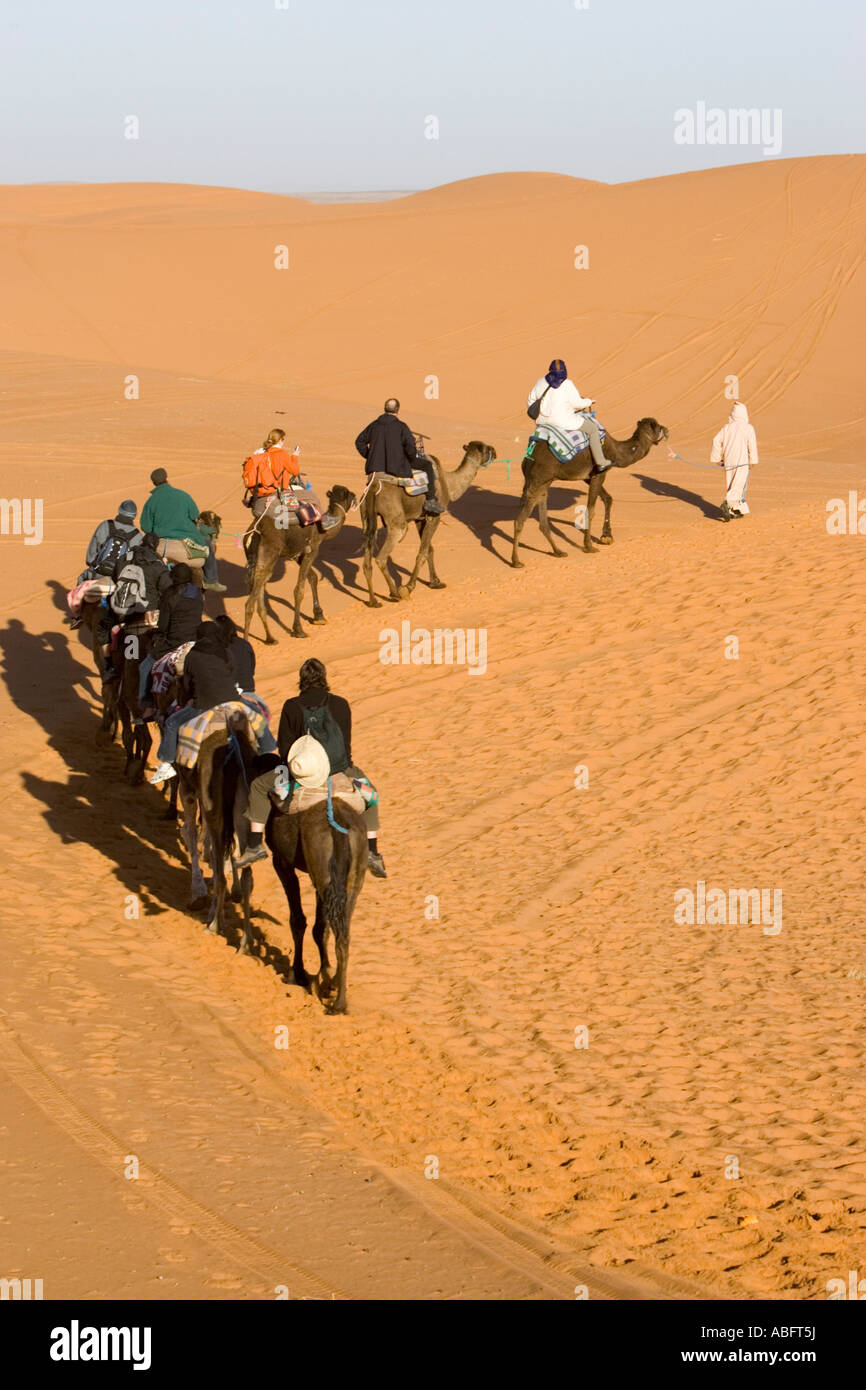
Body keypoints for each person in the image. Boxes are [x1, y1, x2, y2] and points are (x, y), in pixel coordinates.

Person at [234, 657, 386, 878]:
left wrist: (292, 767)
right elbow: (346, 745)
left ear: (301, 681)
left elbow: (285, 749)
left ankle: (255, 845)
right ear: (324, 678)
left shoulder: (291, 706)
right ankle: (372, 852)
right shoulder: (341, 704)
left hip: (300, 772)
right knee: (372, 795)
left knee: (258, 786)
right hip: (340, 769)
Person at [149, 621, 276, 783]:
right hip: (232, 699)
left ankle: (167, 762)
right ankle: (267, 749)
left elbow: (187, 685)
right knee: (257, 713)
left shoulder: (192, 656)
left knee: (172, 723)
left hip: (204, 703)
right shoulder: (226, 652)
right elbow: (231, 673)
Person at [140, 467, 226, 593]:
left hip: (159, 548)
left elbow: (146, 527)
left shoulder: (151, 501)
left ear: (153, 483)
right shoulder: (183, 496)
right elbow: (195, 516)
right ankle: (211, 581)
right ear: (166, 478)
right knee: (208, 544)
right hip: (185, 547)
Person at [98, 531, 171, 676]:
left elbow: (115, 577)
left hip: (122, 611)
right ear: (155, 547)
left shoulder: (124, 558)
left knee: (102, 627)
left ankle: (108, 667)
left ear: (141, 543)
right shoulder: (158, 565)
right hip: (147, 611)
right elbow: (167, 589)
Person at [355, 398, 444, 515]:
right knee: (428, 465)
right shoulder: (401, 426)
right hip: (397, 467)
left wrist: (371, 456)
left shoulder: (373, 425)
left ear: (385, 409)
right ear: (397, 410)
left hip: (375, 466)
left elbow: (359, 442)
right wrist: (411, 458)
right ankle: (430, 501)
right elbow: (410, 446)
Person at [242, 427, 338, 531]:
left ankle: (252, 501)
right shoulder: (282, 454)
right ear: (280, 440)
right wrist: (295, 456)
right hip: (279, 490)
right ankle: (324, 522)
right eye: (283, 440)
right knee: (311, 496)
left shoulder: (262, 453)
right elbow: (295, 471)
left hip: (260, 491)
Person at [527, 359, 612, 472]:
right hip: (564, 421)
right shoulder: (567, 384)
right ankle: (601, 462)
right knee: (592, 429)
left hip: (542, 422)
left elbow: (531, 400)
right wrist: (589, 402)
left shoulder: (540, 382)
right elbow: (577, 403)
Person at [138, 562, 203, 705]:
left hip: (174, 642)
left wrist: (157, 634)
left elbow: (163, 625)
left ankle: (146, 703)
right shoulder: (198, 593)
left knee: (144, 666)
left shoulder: (170, 595)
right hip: (195, 638)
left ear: (173, 578)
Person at [711, 402, 758, 521]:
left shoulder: (726, 428)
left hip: (729, 460)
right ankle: (727, 503)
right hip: (742, 460)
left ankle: (733, 510)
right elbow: (752, 445)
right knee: (739, 484)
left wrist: (717, 458)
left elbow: (716, 440)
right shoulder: (748, 428)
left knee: (731, 484)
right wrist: (753, 460)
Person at [214, 614, 256, 695]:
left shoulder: (217, 647)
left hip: (228, 694)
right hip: (249, 689)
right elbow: (252, 669)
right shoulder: (245, 644)